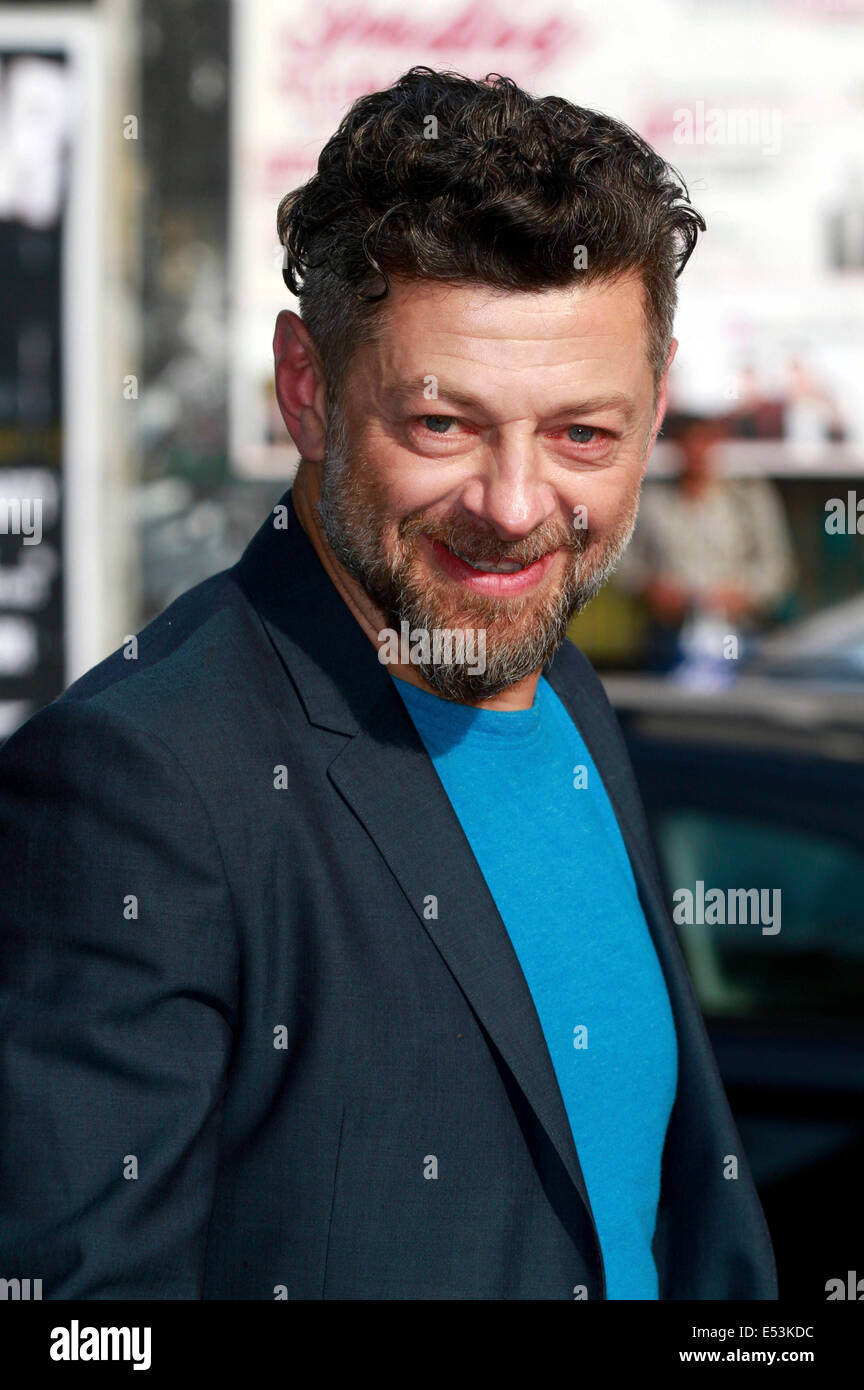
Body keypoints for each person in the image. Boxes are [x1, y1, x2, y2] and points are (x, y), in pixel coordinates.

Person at [0, 67, 777, 1300]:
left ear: (659, 401)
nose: (515, 509)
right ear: (307, 388)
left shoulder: (563, 687)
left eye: (584, 432)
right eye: (441, 425)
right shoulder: (137, 787)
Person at [619, 414, 796, 674]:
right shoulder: (653, 500)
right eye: (689, 441)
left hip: (739, 636)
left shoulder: (746, 498)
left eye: (705, 441)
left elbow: (778, 567)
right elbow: (626, 567)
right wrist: (652, 590)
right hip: (668, 639)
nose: (697, 451)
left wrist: (743, 595)